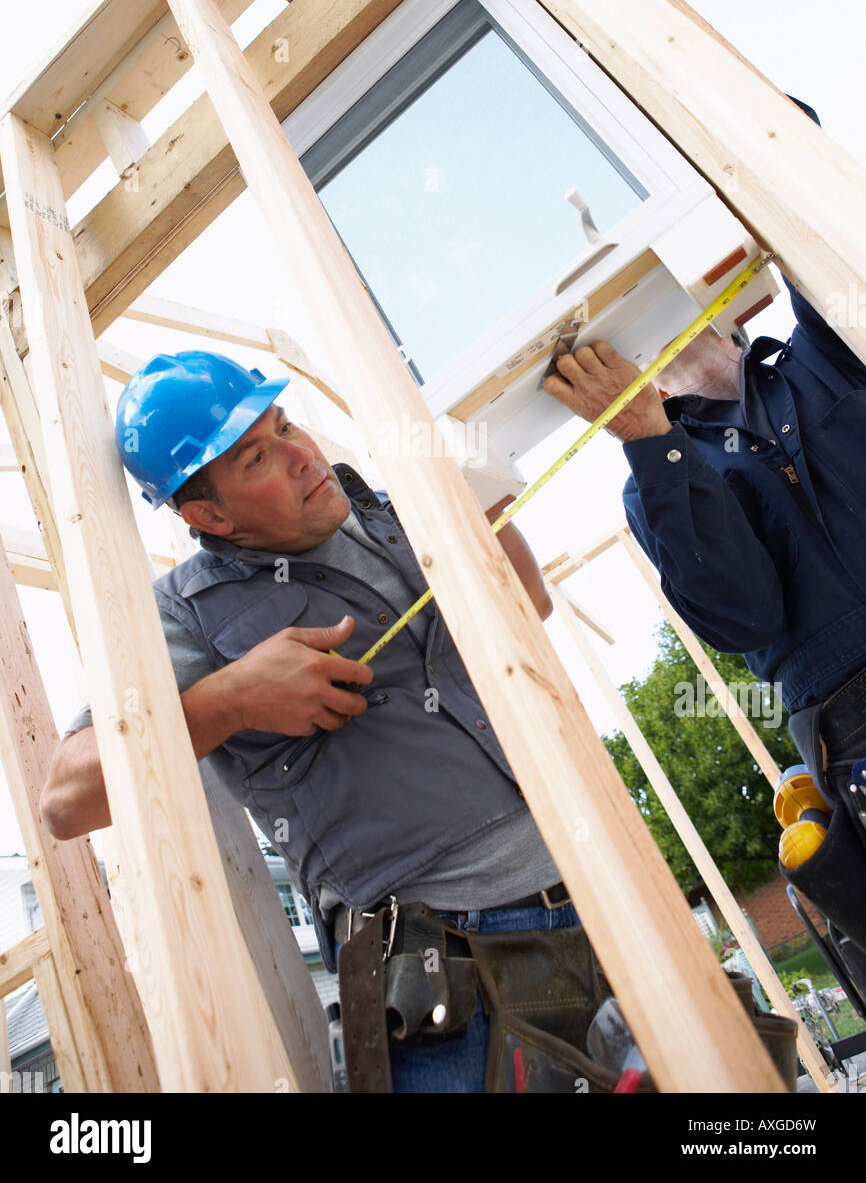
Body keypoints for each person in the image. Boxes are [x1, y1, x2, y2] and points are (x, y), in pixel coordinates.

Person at [40, 349, 594, 1094]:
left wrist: (483, 511)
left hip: (596, 894)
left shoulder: (391, 516)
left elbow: (529, 608)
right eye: (257, 457)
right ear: (210, 516)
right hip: (447, 968)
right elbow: (67, 799)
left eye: (286, 424)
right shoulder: (180, 613)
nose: (304, 456)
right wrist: (230, 699)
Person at [542, 170, 866, 978]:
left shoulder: (822, 357)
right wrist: (650, 441)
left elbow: (817, 210)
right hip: (854, 721)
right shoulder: (661, 473)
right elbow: (745, 616)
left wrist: (749, 162)